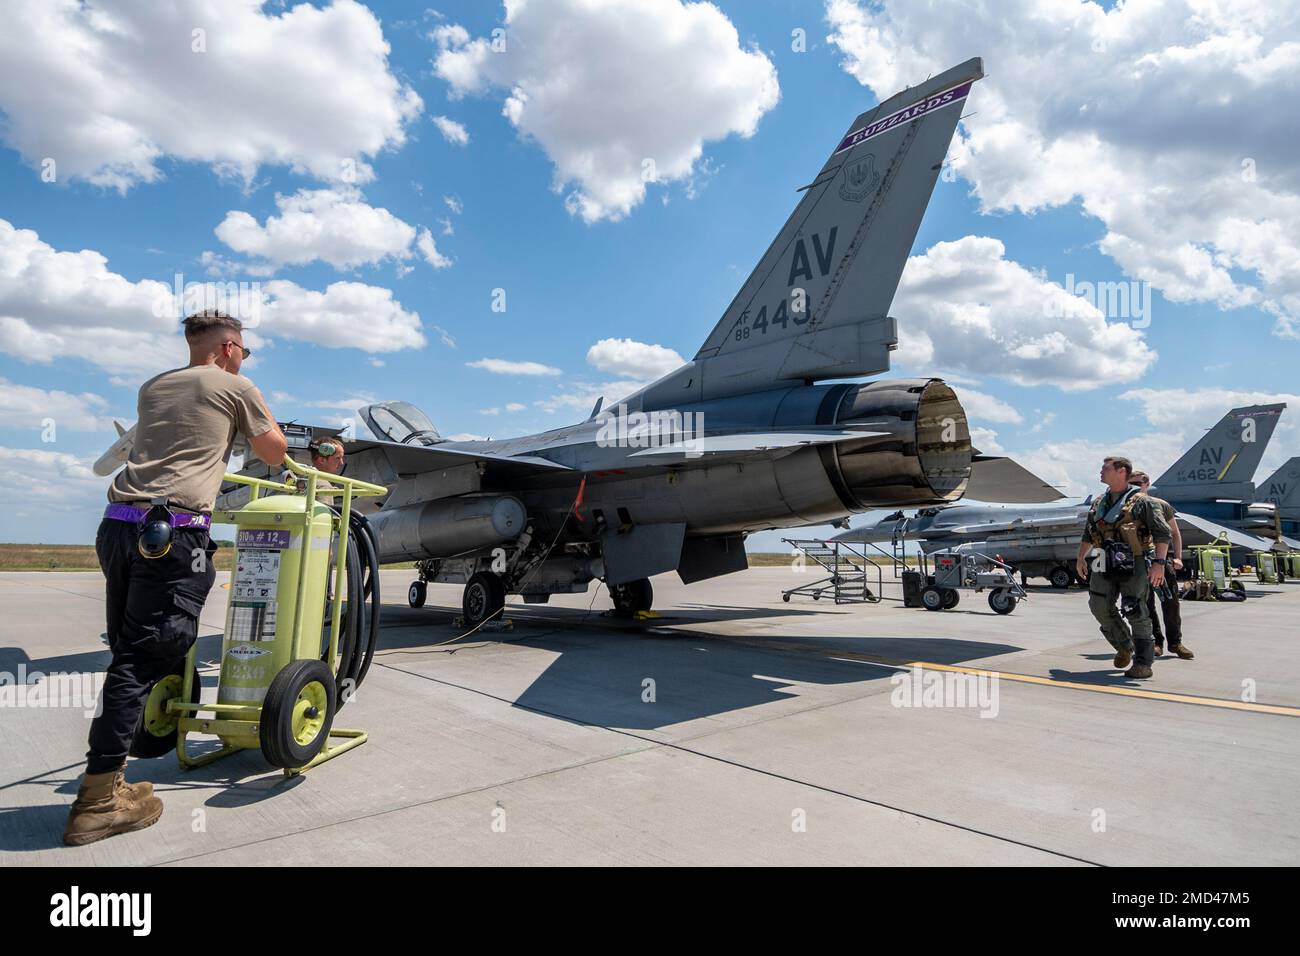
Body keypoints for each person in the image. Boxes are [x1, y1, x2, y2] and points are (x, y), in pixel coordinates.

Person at [64, 310, 344, 846]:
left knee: (129, 649)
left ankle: (112, 782)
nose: (244, 358)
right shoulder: (235, 385)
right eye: (244, 351)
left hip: (120, 526)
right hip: (172, 533)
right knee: (144, 655)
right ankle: (97, 802)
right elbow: (273, 450)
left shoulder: (155, 386)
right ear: (231, 349)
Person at [1074, 456, 1171, 680]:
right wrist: (1081, 558)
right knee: (1098, 604)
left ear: (1121, 472)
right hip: (1103, 559)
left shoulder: (1142, 502)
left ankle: (1143, 664)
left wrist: (1159, 563)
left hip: (1135, 561)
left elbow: (1162, 533)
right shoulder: (1099, 502)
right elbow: (1089, 533)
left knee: (1134, 609)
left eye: (1105, 468)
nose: (1100, 471)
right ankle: (1124, 645)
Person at [1130, 471, 1194, 660]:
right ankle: (1157, 643)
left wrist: (1178, 557)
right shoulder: (1127, 508)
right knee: (1146, 605)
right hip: (1140, 562)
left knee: (1171, 603)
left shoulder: (1161, 505)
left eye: (1137, 483)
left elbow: (1174, 533)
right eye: (1130, 483)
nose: (1134, 487)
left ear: (1146, 484)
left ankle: (1176, 643)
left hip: (1161, 560)